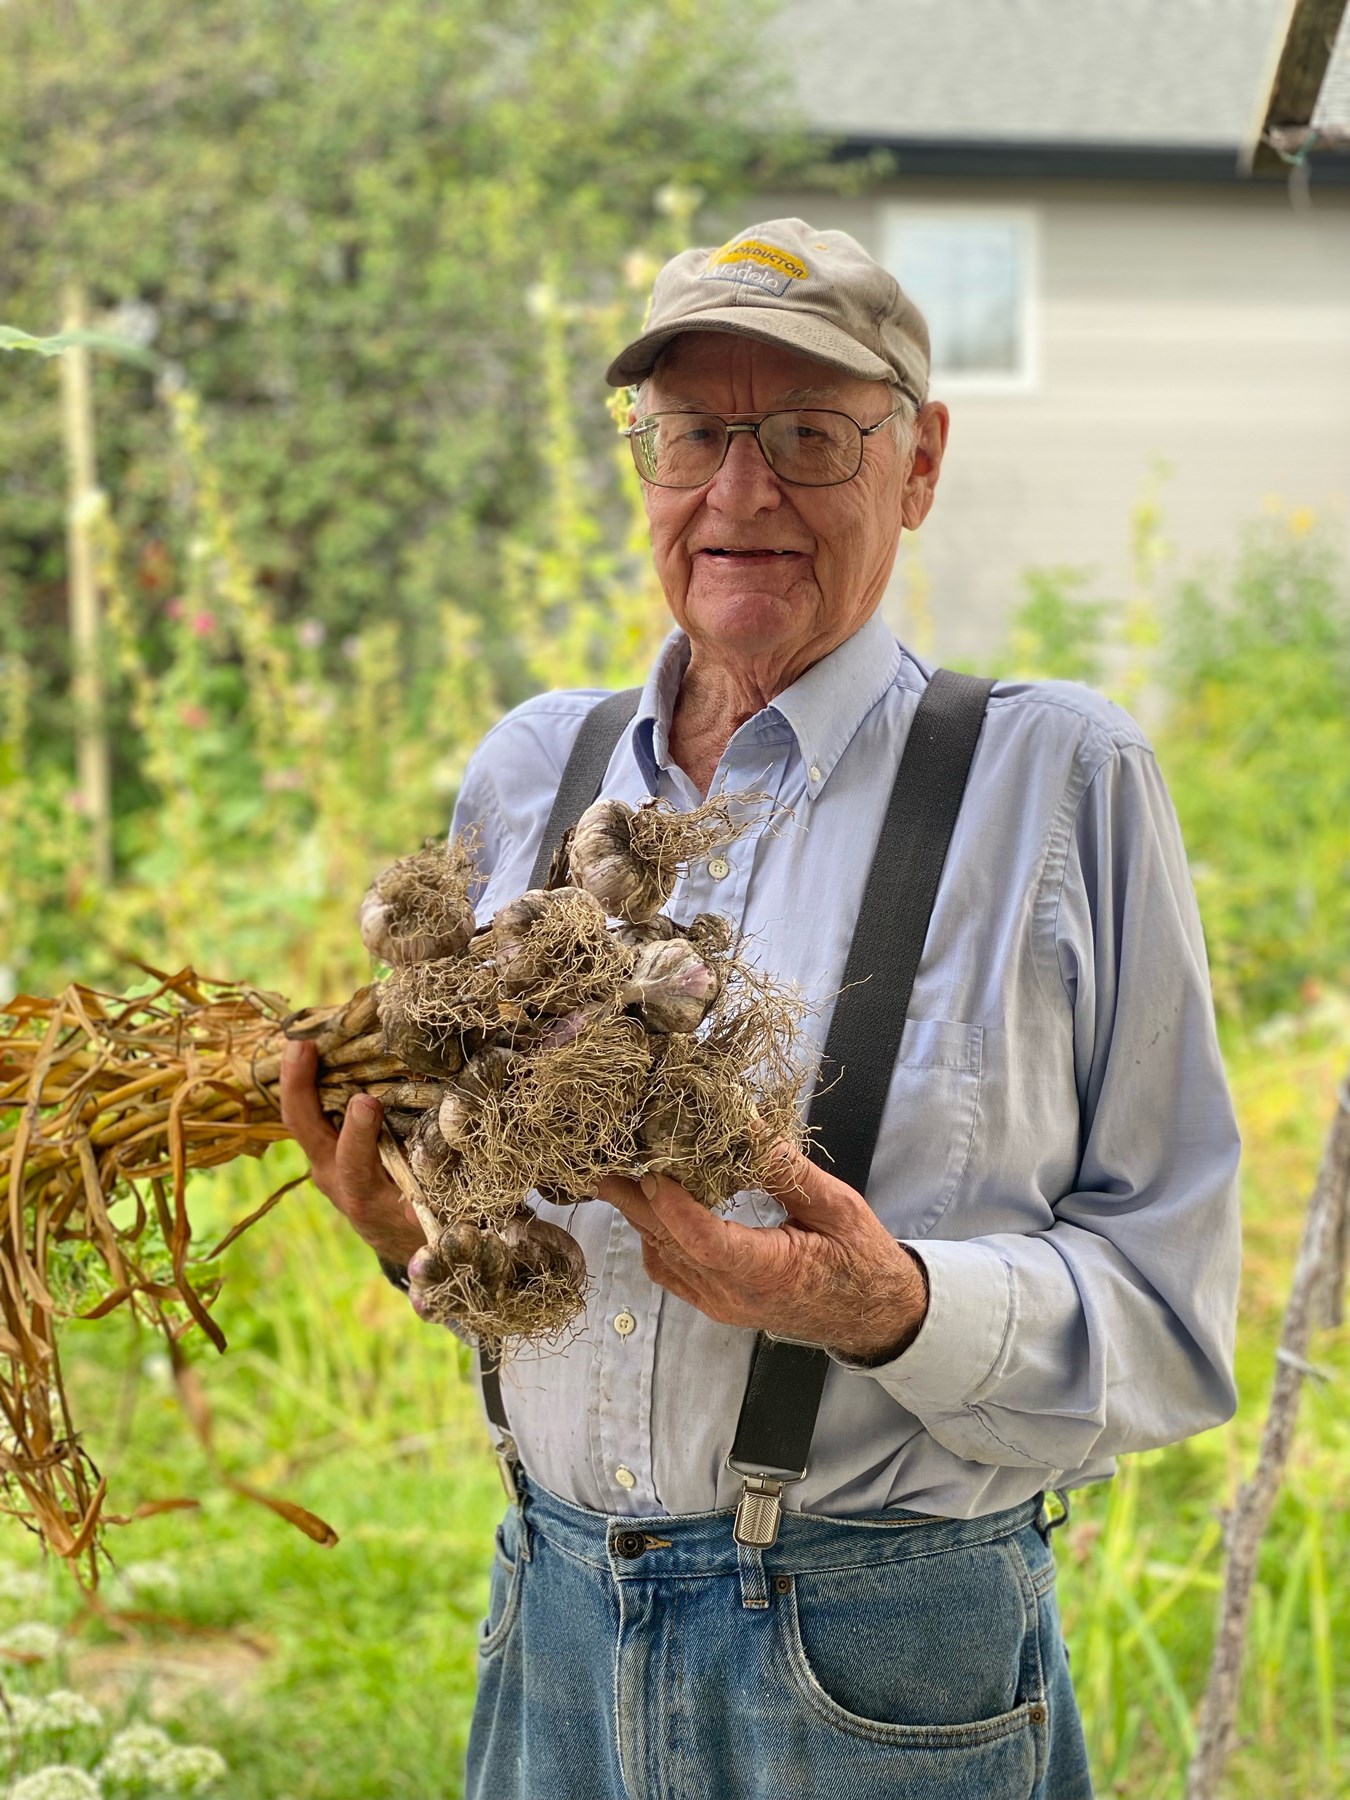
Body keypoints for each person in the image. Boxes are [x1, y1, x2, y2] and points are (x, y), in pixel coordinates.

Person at [281, 218, 1241, 1800]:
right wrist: (424, 1241)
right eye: (692, 435)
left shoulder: (1054, 782)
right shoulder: (534, 771)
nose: (740, 493)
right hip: (555, 1623)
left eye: (809, 435)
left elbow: (1169, 1310)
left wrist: (886, 1308)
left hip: (879, 1664)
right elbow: (535, 1241)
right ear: (641, 459)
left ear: (917, 464)